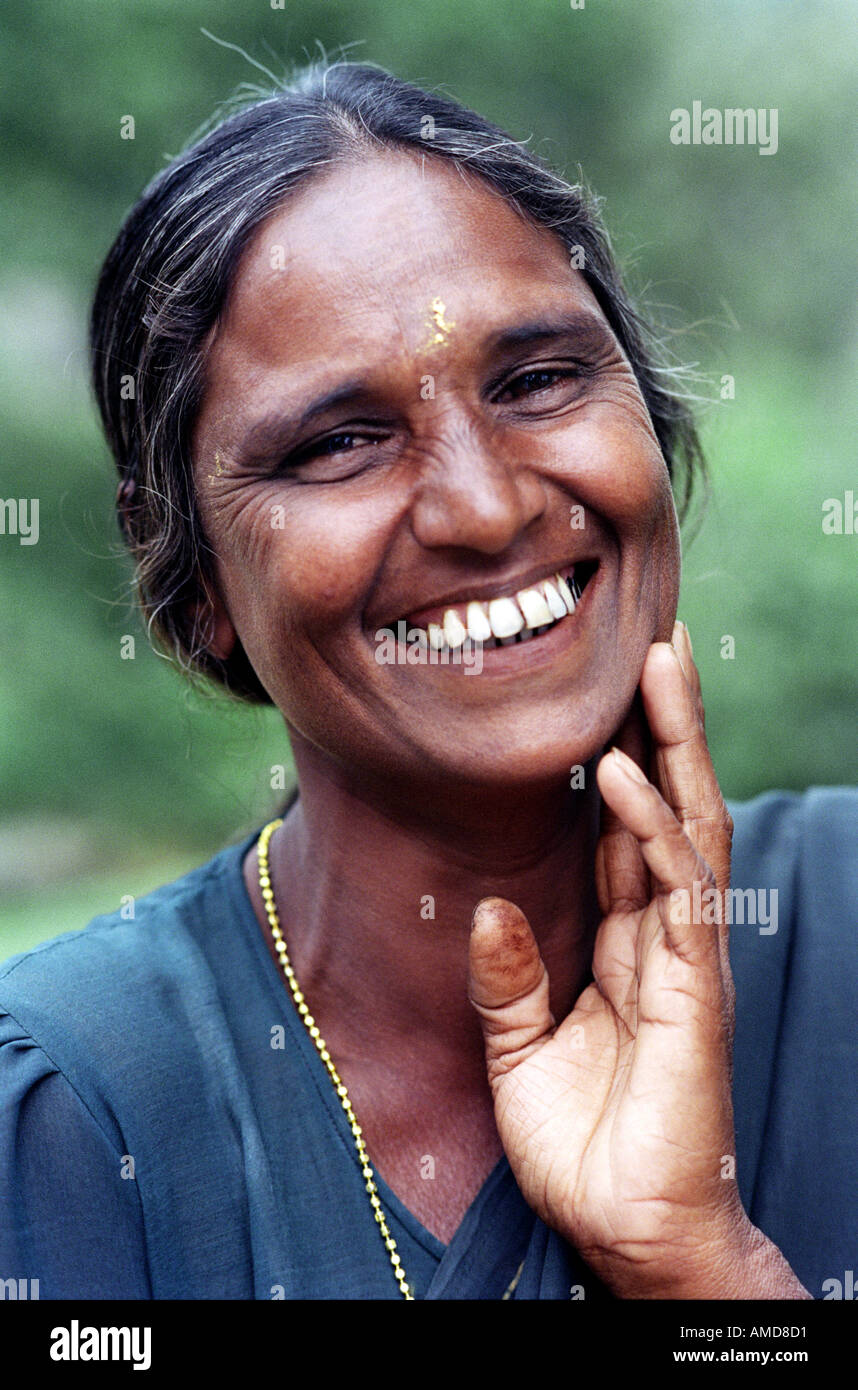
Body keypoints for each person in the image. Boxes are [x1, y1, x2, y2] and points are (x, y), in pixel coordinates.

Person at [1, 61, 855, 1301]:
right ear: (193, 581)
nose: (486, 506)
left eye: (537, 381)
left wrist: (703, 1269)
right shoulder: (77, 1117)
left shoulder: (838, 929)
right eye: (341, 442)